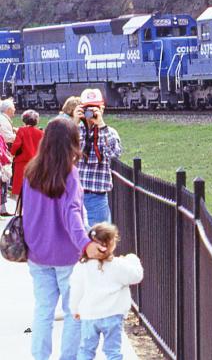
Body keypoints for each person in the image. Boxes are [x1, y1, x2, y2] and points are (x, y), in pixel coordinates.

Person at [23, 117, 109, 360]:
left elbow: (28, 212)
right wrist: (86, 244)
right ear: (71, 142)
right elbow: (72, 214)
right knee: (74, 312)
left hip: (37, 254)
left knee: (43, 311)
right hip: (66, 256)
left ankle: (39, 357)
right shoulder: (69, 174)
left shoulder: (31, 171)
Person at [70, 223, 143, 360]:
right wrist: (133, 259)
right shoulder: (118, 265)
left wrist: (75, 309)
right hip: (113, 315)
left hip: (90, 315)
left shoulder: (81, 267)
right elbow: (136, 276)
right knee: (113, 351)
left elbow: (76, 290)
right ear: (111, 244)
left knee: (86, 350)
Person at [73, 88, 123, 226]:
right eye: (88, 109)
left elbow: (114, 153)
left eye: (95, 108)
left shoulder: (109, 132)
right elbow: (59, 152)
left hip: (97, 195)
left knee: (99, 239)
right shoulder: (75, 130)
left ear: (102, 109)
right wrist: (74, 123)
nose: (91, 113)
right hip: (74, 195)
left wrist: (101, 125)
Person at [11, 109, 44, 201]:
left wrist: (12, 153)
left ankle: (19, 211)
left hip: (22, 163)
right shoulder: (41, 133)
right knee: (33, 187)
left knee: (20, 188)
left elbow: (16, 145)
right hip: (36, 163)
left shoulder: (21, 130)